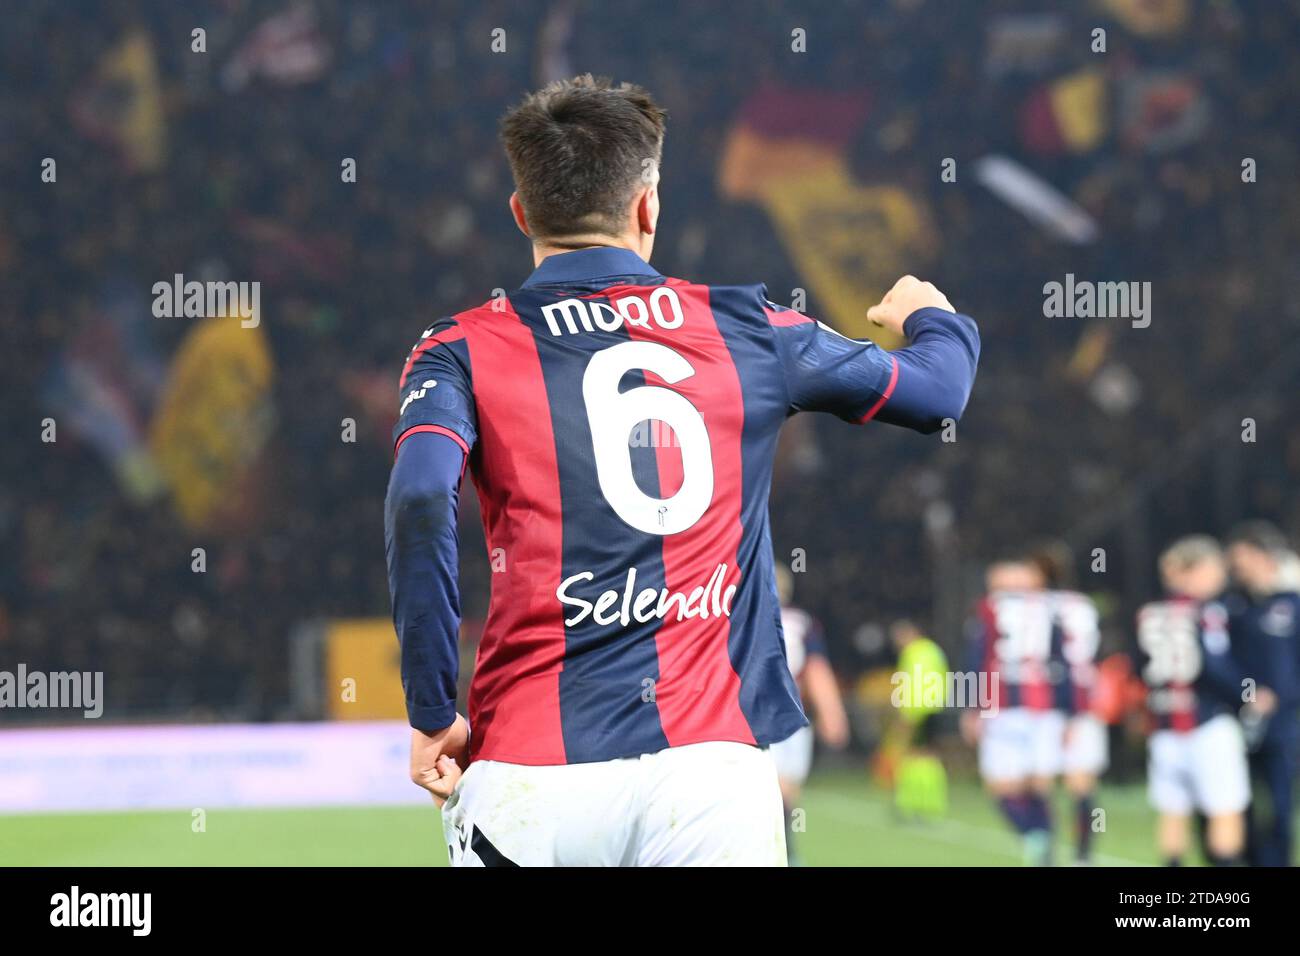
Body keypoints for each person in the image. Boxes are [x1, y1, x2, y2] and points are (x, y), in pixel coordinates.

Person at [384, 74, 980, 866]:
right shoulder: (749, 328)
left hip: (534, 769)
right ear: (647, 207)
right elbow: (940, 392)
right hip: (711, 778)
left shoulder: (458, 347)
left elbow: (423, 493)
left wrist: (432, 707)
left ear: (522, 213)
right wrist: (931, 314)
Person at [1137, 536, 1254, 866]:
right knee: (1226, 810)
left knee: (1174, 811)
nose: (1220, 577)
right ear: (1195, 570)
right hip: (1207, 722)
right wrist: (1248, 695)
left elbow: (1139, 668)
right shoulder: (1207, 611)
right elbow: (1216, 665)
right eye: (1214, 569)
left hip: (1164, 724)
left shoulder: (1149, 612)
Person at [1224, 521, 1300, 866]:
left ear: (1262, 556)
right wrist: (1247, 694)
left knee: (1281, 804)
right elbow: (1225, 662)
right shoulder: (1233, 607)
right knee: (1239, 803)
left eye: (1242, 558)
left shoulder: (1291, 602)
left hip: (1285, 721)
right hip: (1238, 718)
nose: (1236, 567)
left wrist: (1282, 697)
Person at [890, 619, 949, 821]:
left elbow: (910, 684)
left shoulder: (912, 653)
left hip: (917, 709)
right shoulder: (934, 650)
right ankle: (933, 804)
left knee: (912, 756)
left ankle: (910, 803)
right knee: (931, 755)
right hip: (936, 707)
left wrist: (907, 714)